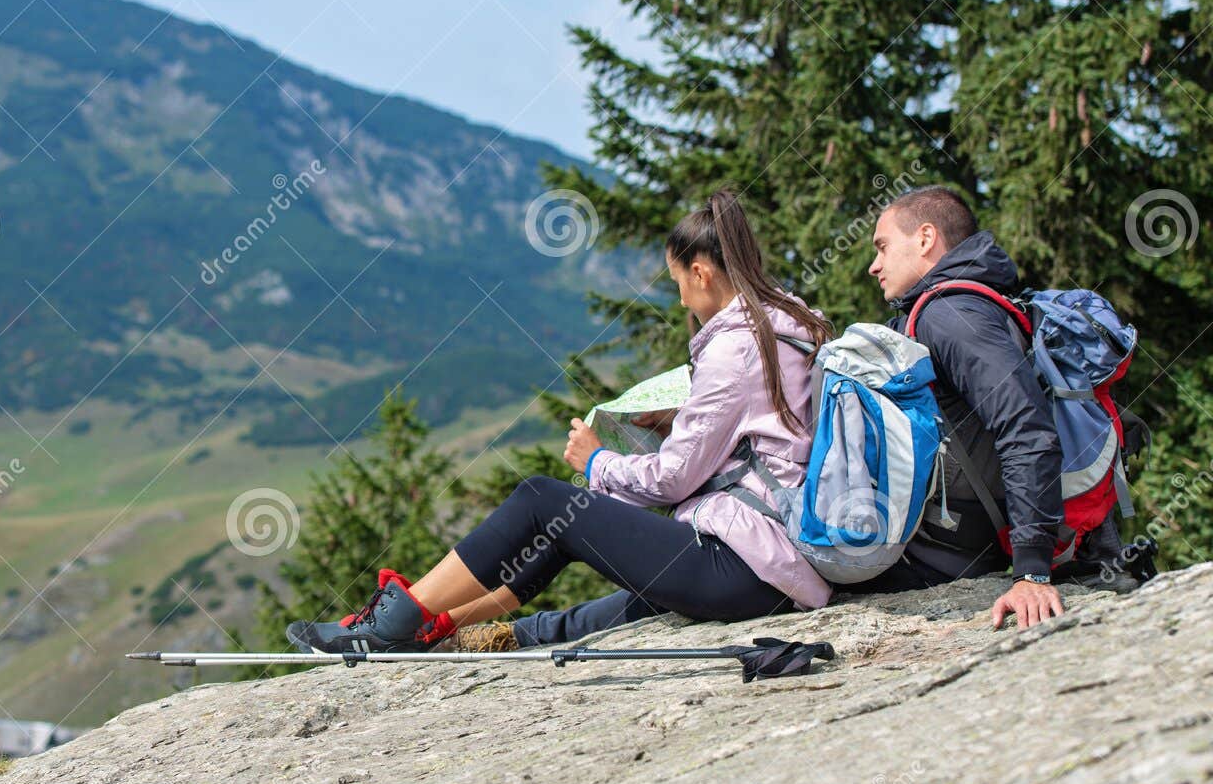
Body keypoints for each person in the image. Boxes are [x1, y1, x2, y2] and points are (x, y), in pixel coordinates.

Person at [285, 189, 835, 656]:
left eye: (678, 284)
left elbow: (674, 480)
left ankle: (389, 625)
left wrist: (597, 460)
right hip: (771, 564)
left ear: (701, 271)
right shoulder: (792, 327)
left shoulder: (736, 348)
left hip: (745, 566)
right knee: (564, 520)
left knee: (543, 499)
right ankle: (433, 627)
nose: (681, 299)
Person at [857, 186, 1066, 630]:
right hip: (955, 544)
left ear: (926, 238)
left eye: (882, 246)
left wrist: (1031, 571)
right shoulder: (945, 307)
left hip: (956, 555)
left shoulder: (951, 314)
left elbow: (1026, 428)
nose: (874, 265)